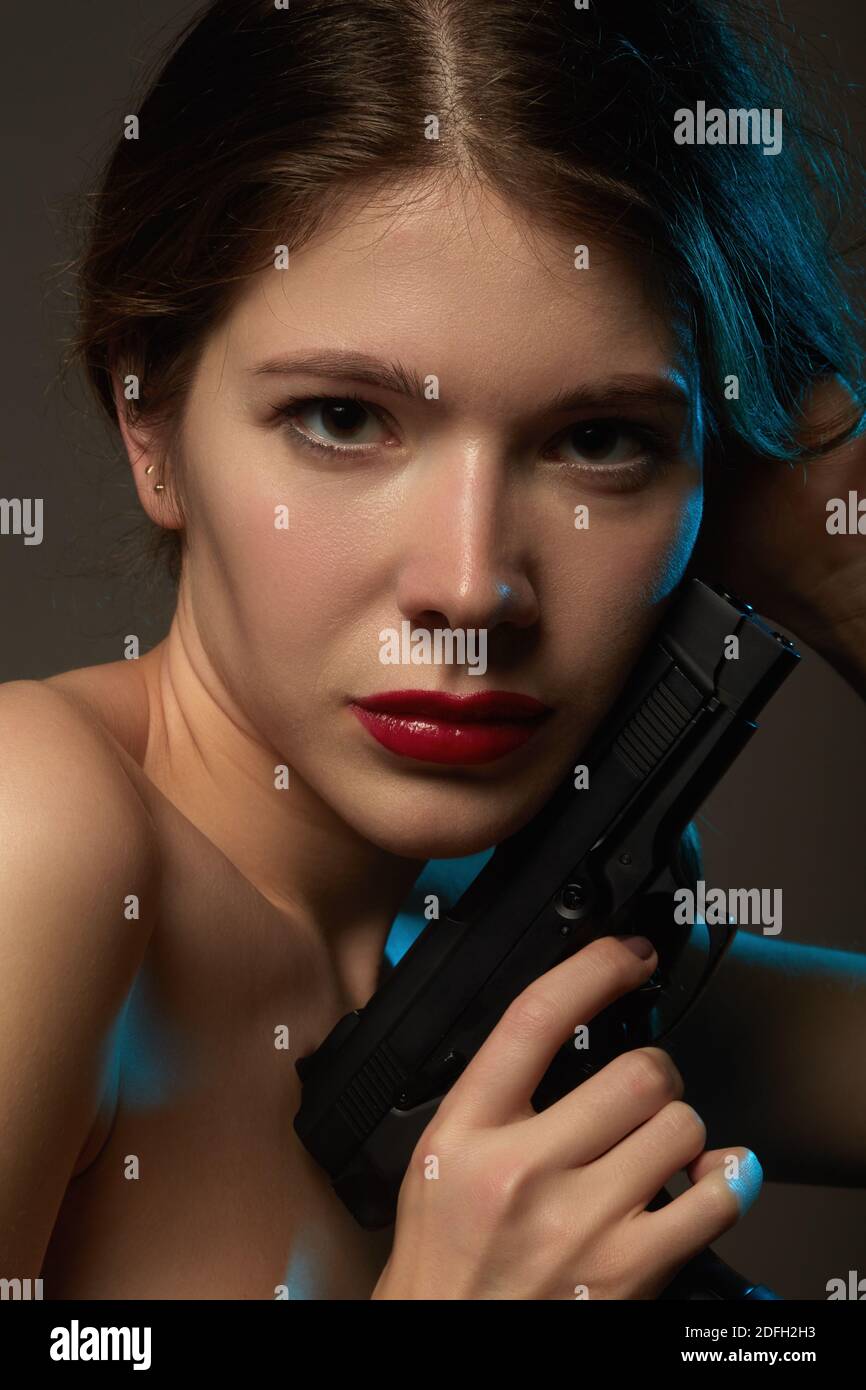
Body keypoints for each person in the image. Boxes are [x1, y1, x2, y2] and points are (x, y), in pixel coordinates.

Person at [2, 0, 865, 1300]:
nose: (470, 585)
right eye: (341, 416)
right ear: (151, 422)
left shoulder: (545, 923)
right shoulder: (39, 838)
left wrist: (839, 555)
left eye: (597, 439)